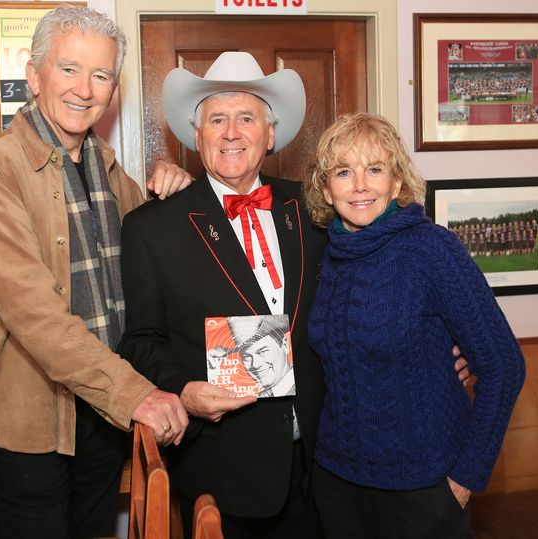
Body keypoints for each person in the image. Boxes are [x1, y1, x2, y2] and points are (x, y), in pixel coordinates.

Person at [0, 7, 192, 539]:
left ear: (113, 88)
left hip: (99, 416)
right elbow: (34, 315)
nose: (84, 89)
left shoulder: (105, 166)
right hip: (24, 425)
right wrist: (135, 395)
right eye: (68, 69)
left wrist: (172, 192)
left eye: (101, 75)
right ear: (34, 75)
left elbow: (155, 265)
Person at [118, 51, 325, 538]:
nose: (232, 132)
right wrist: (183, 392)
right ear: (197, 135)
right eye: (218, 118)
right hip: (223, 476)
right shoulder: (152, 228)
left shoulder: (314, 208)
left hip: (324, 470)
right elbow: (142, 339)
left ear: (270, 134)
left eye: (247, 117)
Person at [304, 112, 526, 538]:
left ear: (398, 182)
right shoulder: (328, 255)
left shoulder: (431, 250)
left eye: (375, 169)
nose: (360, 185)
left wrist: (465, 479)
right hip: (336, 485)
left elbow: (504, 366)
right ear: (326, 189)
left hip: (423, 491)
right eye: (344, 172)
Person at [230, 314, 295, 397]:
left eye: (263, 351)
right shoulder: (259, 396)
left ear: (285, 346)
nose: (255, 365)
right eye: (247, 357)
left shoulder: (306, 387)